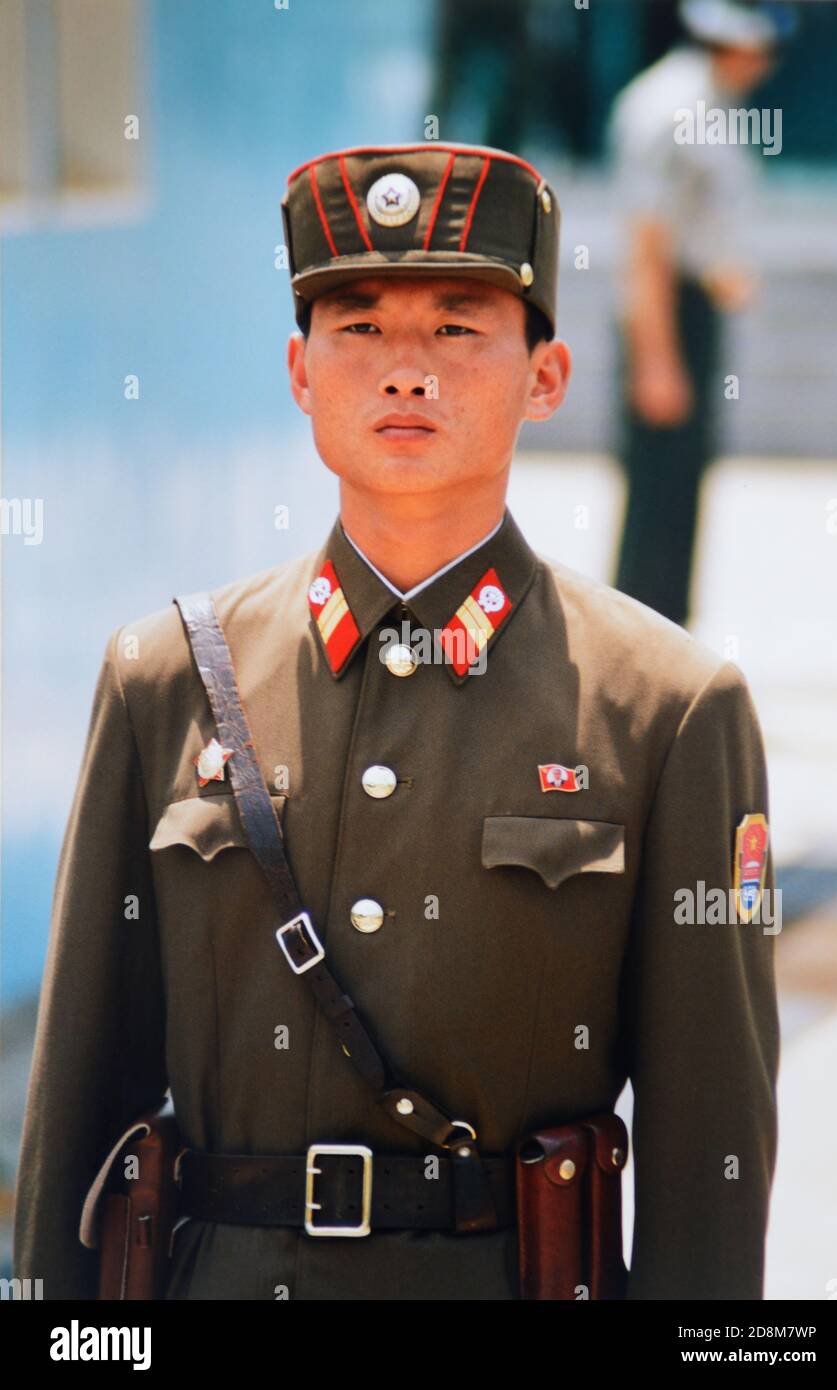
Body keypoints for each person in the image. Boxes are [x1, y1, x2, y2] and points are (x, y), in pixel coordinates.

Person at [14, 141, 779, 1300]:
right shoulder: (163, 677)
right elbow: (79, 1112)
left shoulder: (664, 706)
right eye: (358, 327)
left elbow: (708, 1152)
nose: (404, 370)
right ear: (297, 370)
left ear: (548, 374)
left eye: (459, 327)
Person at [610, 0, 796, 626]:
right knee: (658, 496)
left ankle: (666, 642)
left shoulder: (711, 102)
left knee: (682, 492)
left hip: (693, 306)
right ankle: (641, 642)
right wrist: (656, 356)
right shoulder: (673, 106)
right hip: (668, 311)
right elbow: (648, 242)